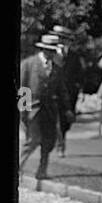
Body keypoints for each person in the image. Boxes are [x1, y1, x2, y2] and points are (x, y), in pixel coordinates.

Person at [19, 37, 67, 179]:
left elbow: (62, 90)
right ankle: (18, 167)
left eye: (53, 50)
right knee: (32, 141)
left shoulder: (56, 69)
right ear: (43, 49)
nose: (51, 53)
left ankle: (42, 171)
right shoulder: (28, 65)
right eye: (49, 50)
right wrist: (23, 113)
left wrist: (67, 108)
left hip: (49, 111)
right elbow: (23, 89)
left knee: (48, 142)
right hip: (32, 111)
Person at [50, 24, 83, 155]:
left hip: (69, 93)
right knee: (56, 119)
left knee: (66, 122)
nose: (60, 40)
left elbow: (79, 74)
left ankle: (61, 139)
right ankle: (59, 146)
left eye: (62, 38)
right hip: (54, 92)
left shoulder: (74, 56)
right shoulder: (51, 54)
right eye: (58, 37)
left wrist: (79, 89)